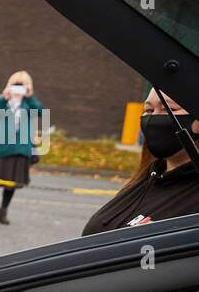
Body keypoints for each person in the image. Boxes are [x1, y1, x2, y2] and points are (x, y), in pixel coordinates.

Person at [83, 88, 199, 235]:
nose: (153, 118)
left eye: (168, 109)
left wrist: (168, 239)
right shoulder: (149, 178)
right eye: (148, 110)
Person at [0, 70, 44, 224]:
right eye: (15, 85)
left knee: (11, 184)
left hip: (20, 150)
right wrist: (2, 99)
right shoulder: (1, 101)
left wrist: (30, 97)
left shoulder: (29, 104)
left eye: (22, 85)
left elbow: (41, 112)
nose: (18, 89)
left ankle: (3, 212)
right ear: (9, 85)